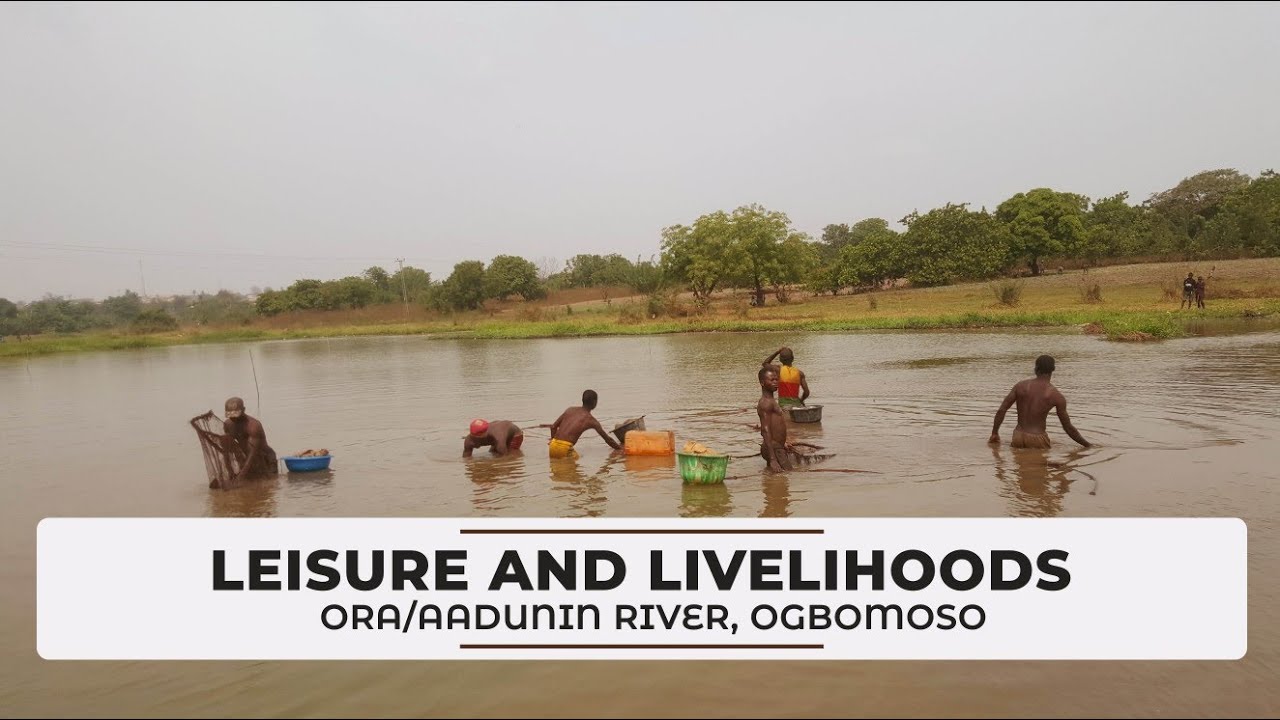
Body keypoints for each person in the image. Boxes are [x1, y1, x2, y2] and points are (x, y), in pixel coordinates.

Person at [988, 355, 1091, 450]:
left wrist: (995, 433)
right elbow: (1068, 427)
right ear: (1053, 369)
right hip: (1038, 439)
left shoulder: (1021, 386)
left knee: (1020, 467)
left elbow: (1002, 410)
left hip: (1018, 436)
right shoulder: (1056, 396)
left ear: (1036, 368)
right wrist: (1088, 445)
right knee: (1041, 468)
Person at [548, 390, 622, 459]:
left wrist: (553, 441)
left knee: (559, 471)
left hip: (552, 446)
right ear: (594, 402)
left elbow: (553, 427)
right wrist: (620, 449)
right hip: (565, 448)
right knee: (574, 469)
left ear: (582, 400)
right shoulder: (591, 420)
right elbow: (608, 440)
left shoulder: (570, 409)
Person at [221, 396, 278, 486]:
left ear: (243, 410)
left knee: (268, 486)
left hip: (264, 459)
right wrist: (230, 471)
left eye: (236, 415)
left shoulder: (253, 426)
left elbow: (252, 453)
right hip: (246, 460)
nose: (233, 418)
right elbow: (227, 448)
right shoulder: (228, 425)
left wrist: (239, 477)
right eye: (230, 416)